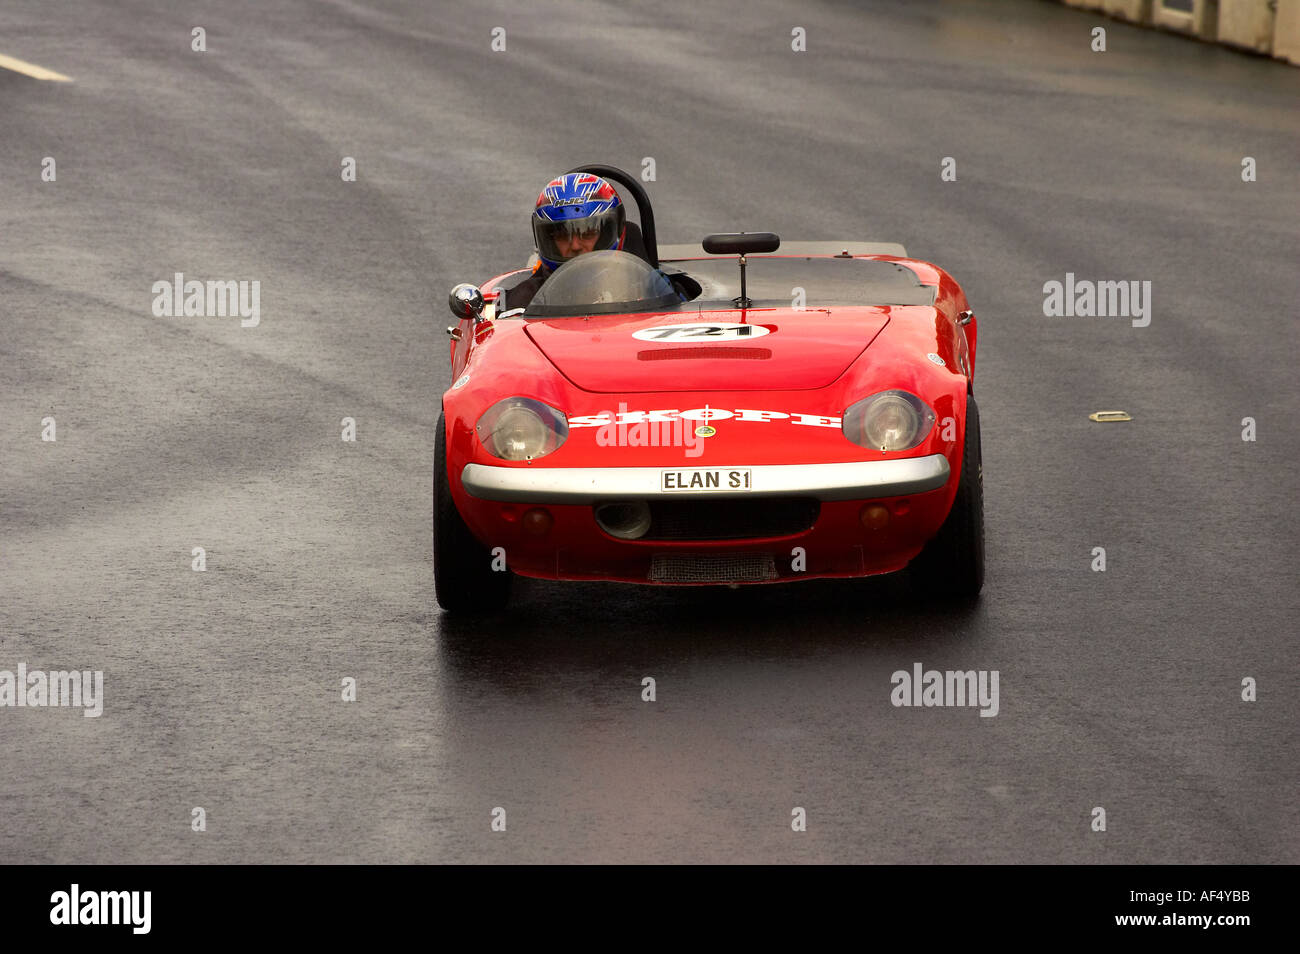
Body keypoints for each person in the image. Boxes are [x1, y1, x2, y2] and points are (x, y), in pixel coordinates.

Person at [498, 173, 648, 312]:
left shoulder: (646, 287)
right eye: (562, 236)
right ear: (547, 239)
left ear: (610, 232)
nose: (575, 246)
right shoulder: (524, 301)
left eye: (587, 234)